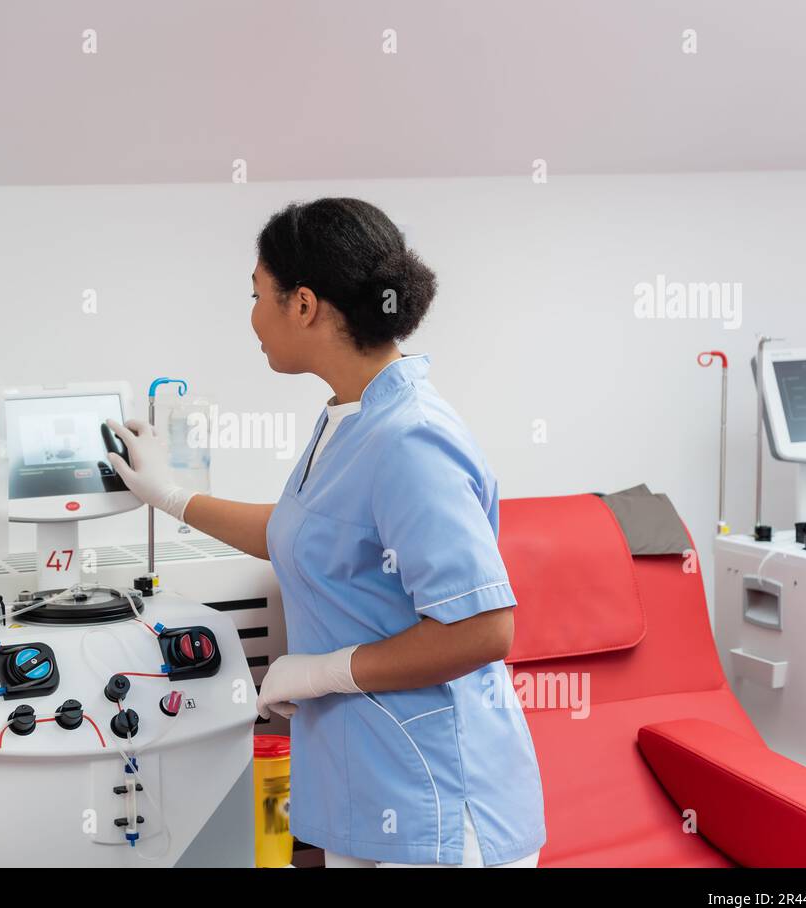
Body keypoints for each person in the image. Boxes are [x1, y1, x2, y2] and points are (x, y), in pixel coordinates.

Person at [106, 197, 545, 867]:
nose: (251, 315)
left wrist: (318, 673)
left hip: (438, 806)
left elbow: (483, 629)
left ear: (304, 304)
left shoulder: (410, 439)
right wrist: (170, 493)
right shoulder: (350, 415)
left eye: (257, 294)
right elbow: (301, 533)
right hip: (365, 793)